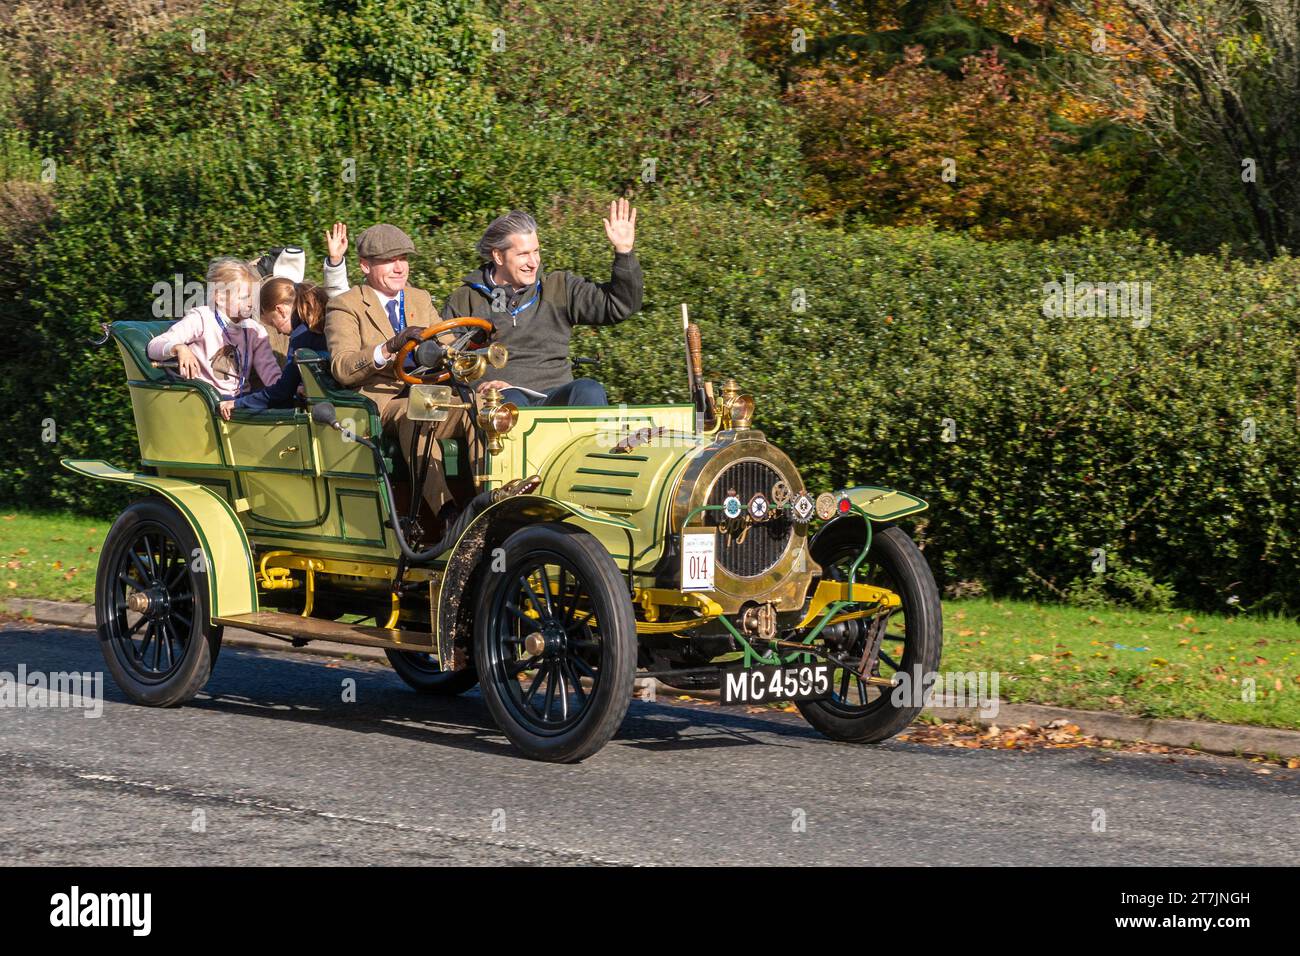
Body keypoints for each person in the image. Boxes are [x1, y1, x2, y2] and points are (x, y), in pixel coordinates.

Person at [324, 223, 474, 522]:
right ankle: (447, 516)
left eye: (403, 258)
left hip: (433, 392)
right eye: (388, 261)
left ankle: (492, 501)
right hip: (385, 403)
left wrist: (472, 348)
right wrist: (389, 346)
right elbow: (342, 367)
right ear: (365, 266)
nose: (399, 267)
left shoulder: (419, 298)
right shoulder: (346, 305)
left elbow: (447, 346)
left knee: (483, 409)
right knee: (418, 412)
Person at [440, 198, 642, 407]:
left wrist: (624, 252)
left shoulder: (560, 287)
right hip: (500, 403)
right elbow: (447, 362)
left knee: (589, 389)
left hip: (555, 396)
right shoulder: (465, 300)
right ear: (498, 256)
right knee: (511, 399)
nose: (533, 262)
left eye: (536, 251)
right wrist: (480, 386)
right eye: (523, 254)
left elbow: (618, 305)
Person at [146, 257, 280, 412]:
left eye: (253, 296)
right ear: (220, 297)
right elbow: (153, 346)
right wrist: (179, 348)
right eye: (244, 297)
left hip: (242, 401)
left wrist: (290, 389)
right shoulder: (202, 318)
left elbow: (271, 374)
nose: (251, 302)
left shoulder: (255, 331)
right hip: (207, 402)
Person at [235, 281, 330, 413]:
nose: (278, 332)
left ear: (281, 310)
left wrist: (237, 403)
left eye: (273, 324)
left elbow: (282, 393)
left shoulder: (300, 338)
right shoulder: (322, 322)